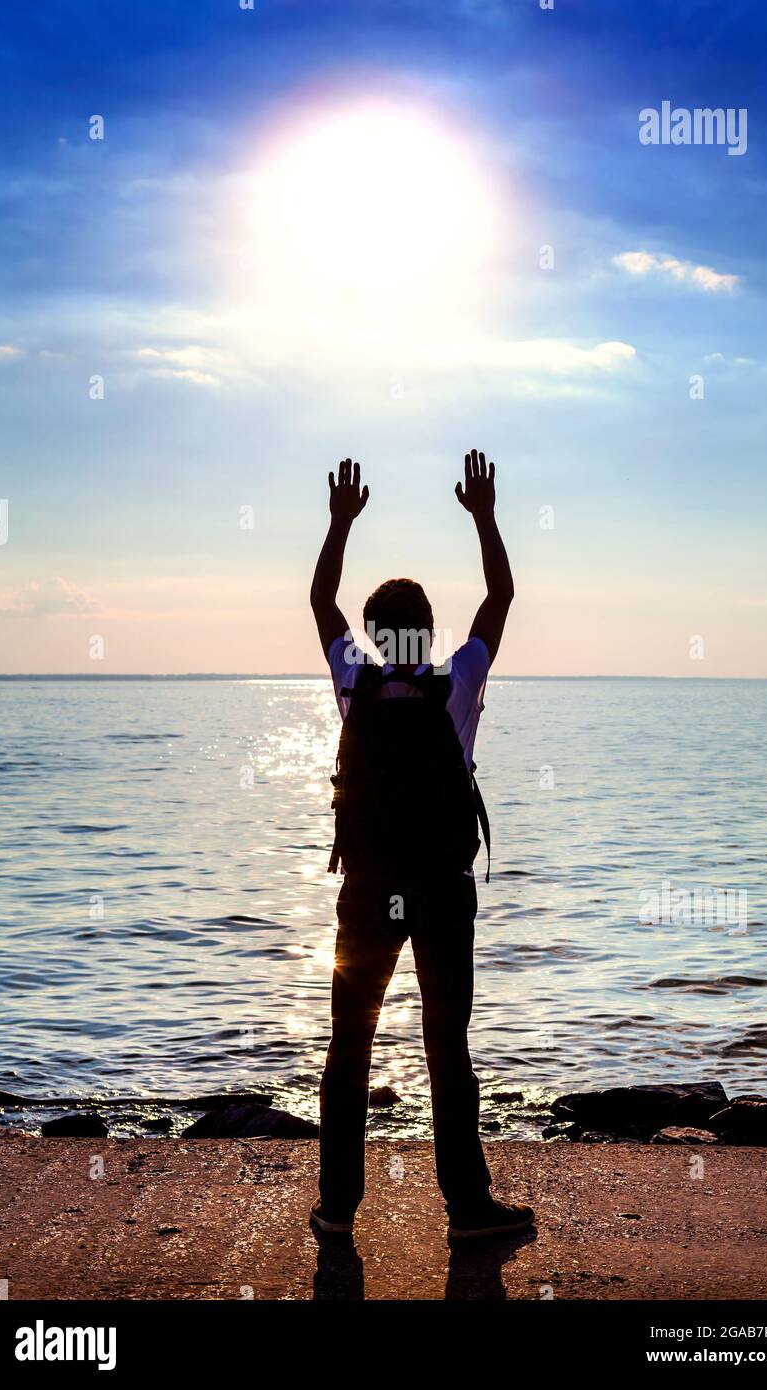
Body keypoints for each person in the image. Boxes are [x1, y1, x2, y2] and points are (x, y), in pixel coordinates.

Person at [309, 449, 534, 1241]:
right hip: (442, 887)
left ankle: (338, 1212)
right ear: (429, 631)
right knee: (447, 1048)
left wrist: (339, 523)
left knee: (349, 1050)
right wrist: (483, 513)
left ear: (373, 636)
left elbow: (318, 599)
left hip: (368, 890)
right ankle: (467, 1211)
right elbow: (502, 596)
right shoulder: (460, 679)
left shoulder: (352, 680)